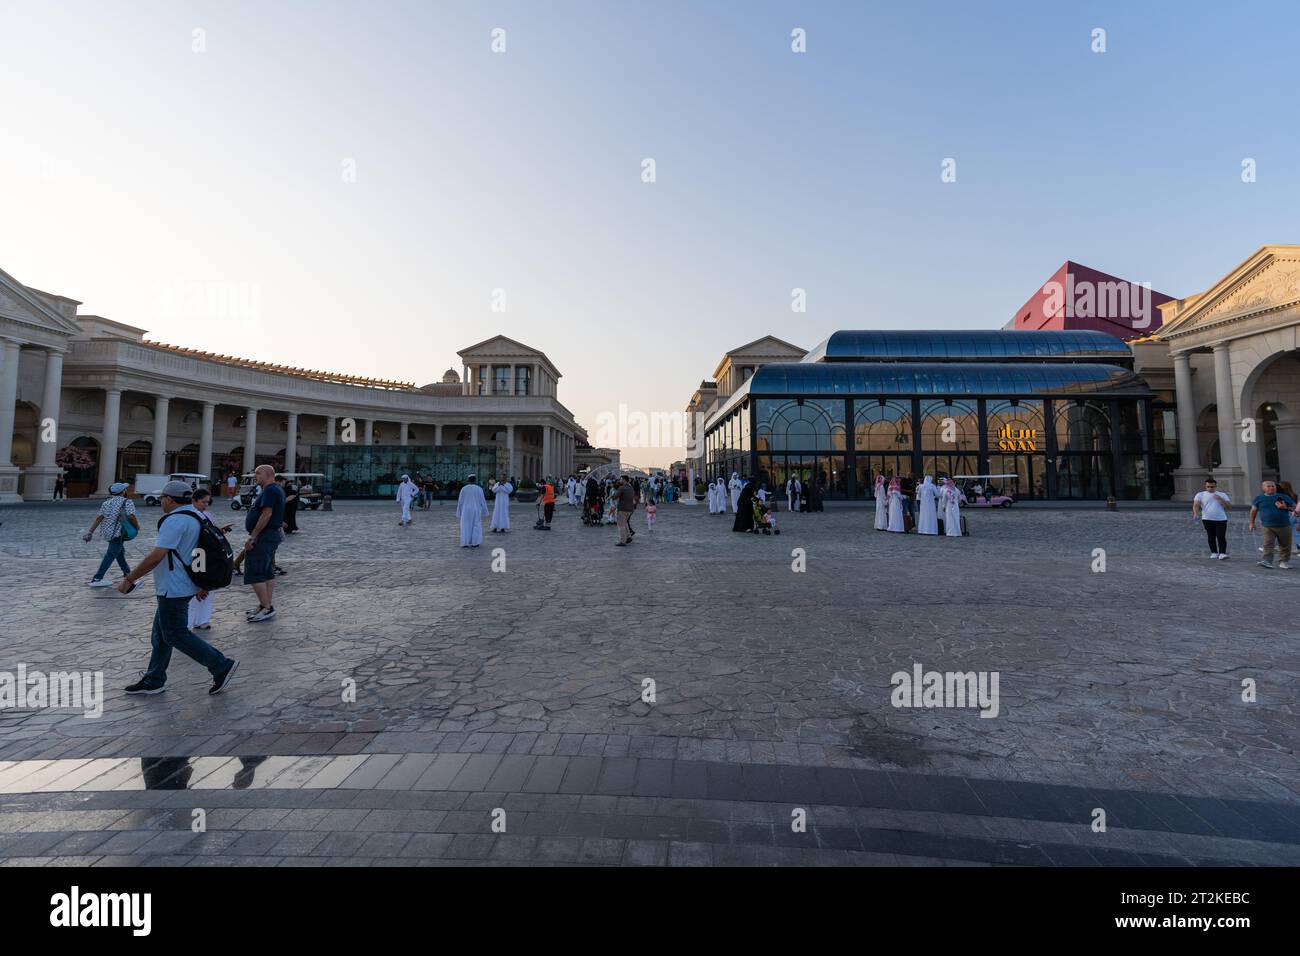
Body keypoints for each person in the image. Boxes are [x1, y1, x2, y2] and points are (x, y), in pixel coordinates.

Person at [115, 481, 239, 696]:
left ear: (169, 499)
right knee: (161, 634)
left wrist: (129, 579)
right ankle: (154, 678)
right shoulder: (197, 516)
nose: (161, 501)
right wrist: (200, 583)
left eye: (162, 498)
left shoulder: (175, 521)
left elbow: (156, 557)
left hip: (173, 586)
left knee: (175, 634)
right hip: (184, 583)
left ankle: (220, 665)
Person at [242, 463, 285, 622]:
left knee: (255, 571)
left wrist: (252, 537)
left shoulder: (271, 490)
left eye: (258, 473)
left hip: (264, 536)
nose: (255, 476)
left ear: (268, 474)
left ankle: (267, 608)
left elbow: (266, 514)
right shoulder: (274, 490)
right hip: (270, 535)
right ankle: (264, 604)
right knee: (267, 571)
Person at [187, 487, 233, 631]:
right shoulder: (189, 515)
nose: (205, 505)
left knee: (208, 587)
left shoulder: (206, 515)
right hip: (197, 554)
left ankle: (203, 619)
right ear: (194, 500)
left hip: (207, 555)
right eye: (203, 502)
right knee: (195, 589)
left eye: (207, 502)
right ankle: (188, 622)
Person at [84, 480, 140, 587]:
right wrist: (136, 526)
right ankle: (97, 578)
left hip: (107, 533)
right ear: (123, 491)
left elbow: (99, 518)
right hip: (118, 533)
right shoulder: (127, 502)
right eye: (125, 489)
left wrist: (90, 532)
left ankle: (127, 573)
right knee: (110, 555)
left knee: (119, 553)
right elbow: (131, 516)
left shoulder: (106, 502)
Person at [1249, 479, 1295, 569]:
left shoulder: (1284, 497)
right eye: (1268, 486)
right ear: (1263, 488)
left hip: (1284, 525)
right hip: (1267, 525)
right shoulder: (1259, 498)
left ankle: (1284, 561)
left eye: (1273, 486)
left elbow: (1295, 509)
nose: (1271, 488)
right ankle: (1267, 561)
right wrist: (1251, 523)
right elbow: (1253, 511)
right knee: (1268, 543)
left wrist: (1285, 507)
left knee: (1285, 544)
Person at [1191, 477, 1231, 560]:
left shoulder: (1222, 494)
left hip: (1221, 519)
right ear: (1205, 487)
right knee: (1211, 536)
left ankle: (1222, 553)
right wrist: (1195, 513)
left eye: (1212, 487)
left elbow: (1228, 506)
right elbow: (1196, 505)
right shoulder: (1200, 494)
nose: (1210, 488)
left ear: (1216, 486)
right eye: (1208, 487)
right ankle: (1214, 552)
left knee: (1221, 536)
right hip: (1207, 519)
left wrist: (1220, 499)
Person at [456, 473, 489, 547]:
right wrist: (485, 512)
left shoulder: (464, 489)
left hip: (466, 510)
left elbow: (460, 502)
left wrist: (459, 512)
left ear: (468, 480)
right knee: (476, 525)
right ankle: (475, 542)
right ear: (475, 480)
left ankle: (465, 542)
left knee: (465, 526)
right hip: (476, 509)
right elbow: (482, 501)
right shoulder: (479, 489)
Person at [615, 477, 637, 546]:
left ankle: (622, 541)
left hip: (622, 508)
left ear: (624, 480)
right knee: (625, 523)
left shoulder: (622, 488)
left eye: (621, 479)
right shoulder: (631, 488)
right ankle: (628, 537)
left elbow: (615, 496)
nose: (620, 480)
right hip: (630, 509)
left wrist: (612, 496)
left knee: (621, 525)